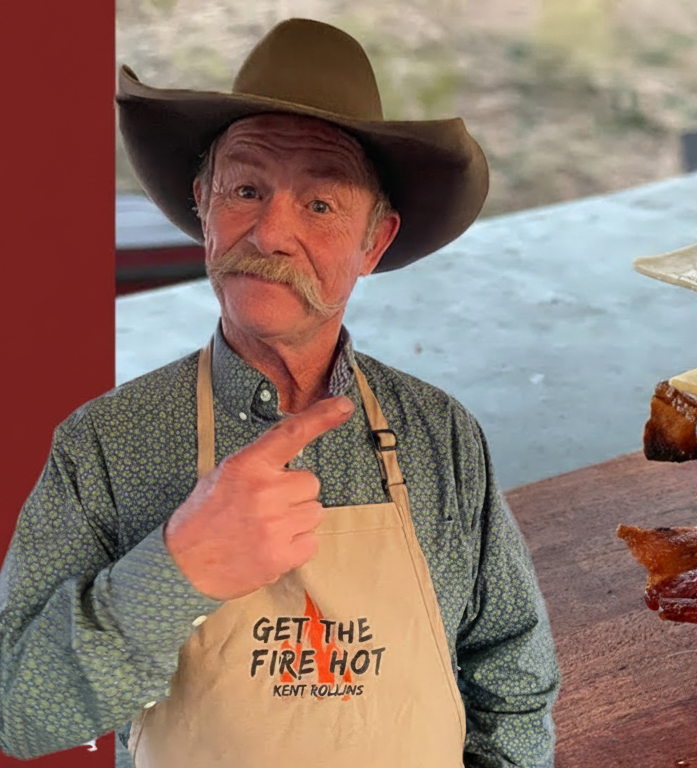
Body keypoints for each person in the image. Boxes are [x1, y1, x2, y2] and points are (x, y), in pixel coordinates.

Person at [0, 18, 559, 767]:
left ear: (375, 242)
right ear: (203, 205)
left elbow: (512, 674)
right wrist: (174, 572)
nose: (269, 233)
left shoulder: (441, 436)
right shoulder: (104, 446)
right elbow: (16, 710)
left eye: (321, 204)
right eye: (245, 188)